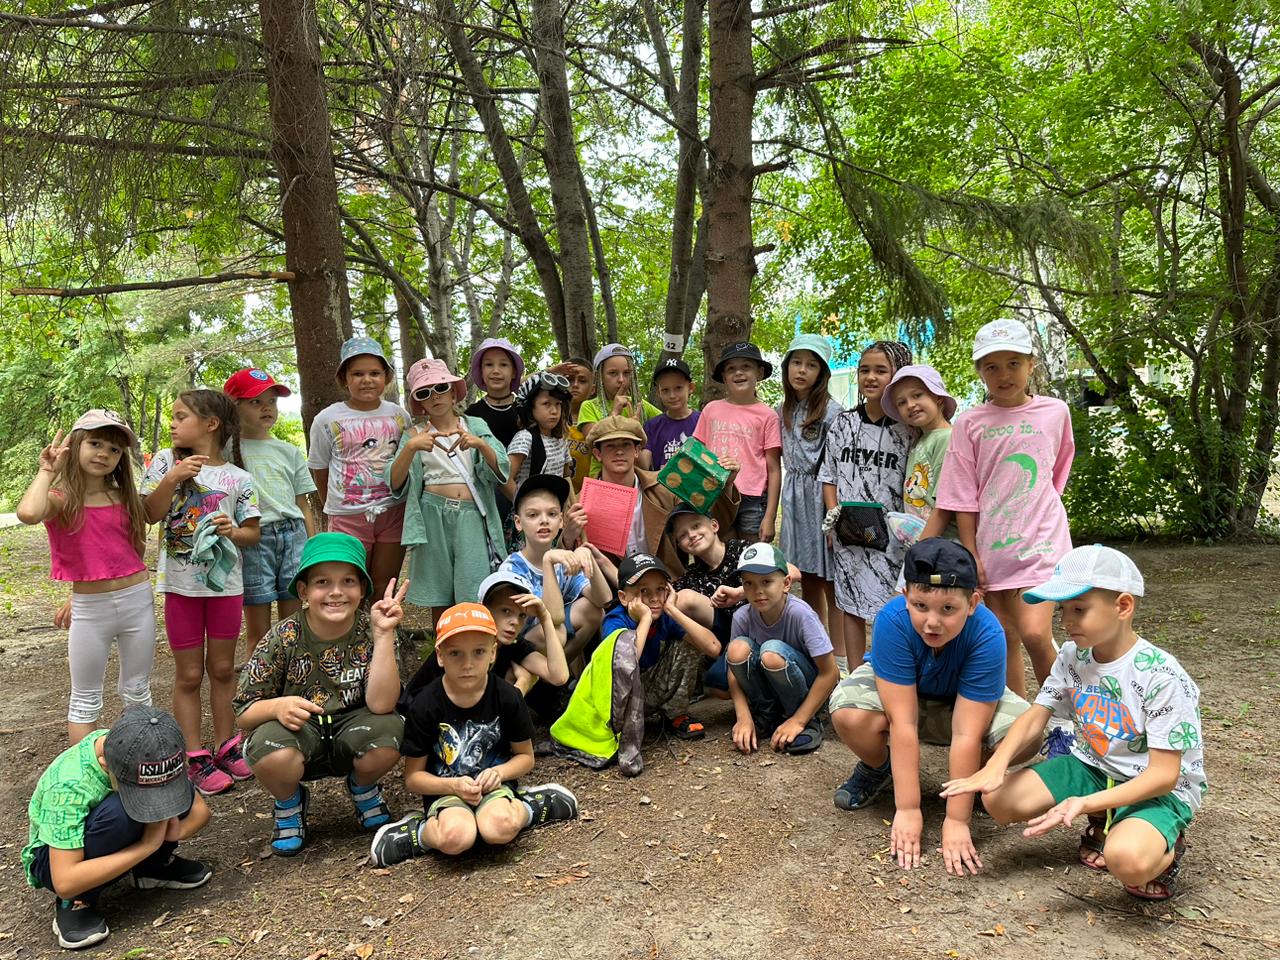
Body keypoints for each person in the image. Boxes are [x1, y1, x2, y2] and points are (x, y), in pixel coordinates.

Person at [940, 545, 1205, 901]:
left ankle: (1163, 848)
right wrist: (996, 766)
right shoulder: (1072, 655)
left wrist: (1080, 802)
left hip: (1155, 787)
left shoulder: (1160, 676)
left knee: (1125, 860)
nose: (1066, 622)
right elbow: (1037, 714)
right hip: (1093, 765)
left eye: (1079, 609)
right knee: (997, 799)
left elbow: (1163, 775)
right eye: (1063, 610)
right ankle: (1104, 815)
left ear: (1123, 607)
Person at [828, 538, 1038, 877]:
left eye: (948, 610)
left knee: (1025, 731)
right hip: (904, 699)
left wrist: (957, 819)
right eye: (920, 605)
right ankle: (879, 768)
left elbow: (967, 732)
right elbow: (903, 722)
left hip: (962, 703)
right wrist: (908, 808)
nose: (932, 622)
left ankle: (974, 784)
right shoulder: (892, 622)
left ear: (972, 603)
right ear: (905, 596)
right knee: (849, 712)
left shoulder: (987, 633)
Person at [233, 533, 406, 856]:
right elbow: (244, 710)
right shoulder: (283, 637)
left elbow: (382, 705)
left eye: (348, 581)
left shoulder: (374, 629)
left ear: (362, 590)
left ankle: (363, 788)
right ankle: (289, 802)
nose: (336, 592)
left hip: (354, 726)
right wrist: (278, 706)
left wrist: (383, 636)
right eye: (323, 582)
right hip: (299, 731)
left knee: (391, 732)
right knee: (270, 751)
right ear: (304, 591)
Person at [369, 602, 579, 864]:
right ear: (440, 655)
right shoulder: (425, 705)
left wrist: (499, 773)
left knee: (499, 828)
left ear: (493, 653)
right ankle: (418, 833)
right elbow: (413, 778)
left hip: (495, 787)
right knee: (457, 837)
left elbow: (526, 758)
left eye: (478, 652)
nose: (468, 664)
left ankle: (531, 807)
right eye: (456, 653)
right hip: (446, 792)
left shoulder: (507, 696)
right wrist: (453, 785)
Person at [933, 319, 1075, 698]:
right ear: (980, 371)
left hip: (1043, 543)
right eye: (991, 366)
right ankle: (1016, 720)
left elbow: (1055, 472)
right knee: (1004, 636)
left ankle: (1062, 718)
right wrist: (971, 553)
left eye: (1013, 363)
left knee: (1034, 632)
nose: (1003, 374)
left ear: (1031, 365)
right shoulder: (969, 423)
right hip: (993, 547)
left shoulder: (1056, 412)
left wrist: (1037, 509)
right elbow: (963, 495)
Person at [142, 390, 261, 796]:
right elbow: (148, 514)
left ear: (211, 424)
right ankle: (194, 755)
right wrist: (173, 478)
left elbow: (252, 533)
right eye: (172, 417)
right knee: (189, 673)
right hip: (180, 588)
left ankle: (228, 746)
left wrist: (234, 530)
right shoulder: (163, 462)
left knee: (224, 670)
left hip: (225, 588)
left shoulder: (240, 479)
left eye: (180, 416)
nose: (172, 424)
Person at [22, 707, 212, 950]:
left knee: (168, 795)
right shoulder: (68, 786)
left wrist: (176, 832)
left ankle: (152, 868)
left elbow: (200, 812)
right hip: (57, 860)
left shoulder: (150, 749)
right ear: (105, 762)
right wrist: (148, 845)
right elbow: (64, 879)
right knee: (119, 813)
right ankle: (78, 901)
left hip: (113, 839)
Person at [17, 410, 153, 744]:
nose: (104, 453)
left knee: (137, 690)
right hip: (91, 609)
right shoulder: (62, 499)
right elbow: (28, 513)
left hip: (137, 599)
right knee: (85, 698)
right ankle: (89, 774)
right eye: (95, 443)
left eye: (114, 449)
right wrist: (48, 469)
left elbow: (127, 551)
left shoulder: (124, 497)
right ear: (76, 444)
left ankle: (140, 761)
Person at [551, 554, 720, 772]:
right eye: (644, 592)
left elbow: (713, 648)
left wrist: (673, 610)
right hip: (619, 701)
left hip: (646, 692)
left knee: (688, 644)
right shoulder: (616, 620)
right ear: (623, 597)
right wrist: (646, 619)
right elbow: (626, 664)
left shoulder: (666, 615)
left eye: (660, 589)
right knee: (625, 653)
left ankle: (675, 714)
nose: (655, 598)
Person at [387, 357, 509, 625]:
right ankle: (442, 649)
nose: (434, 396)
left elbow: (502, 467)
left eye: (441, 387)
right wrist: (410, 448)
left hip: (471, 514)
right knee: (438, 592)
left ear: (454, 392)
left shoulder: (474, 425)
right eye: (424, 392)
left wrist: (480, 445)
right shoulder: (413, 434)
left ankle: (475, 649)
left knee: (473, 587)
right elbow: (394, 483)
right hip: (431, 515)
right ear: (419, 402)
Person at [818, 340, 914, 667]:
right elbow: (829, 475)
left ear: (898, 375)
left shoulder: (908, 428)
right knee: (850, 604)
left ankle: (892, 674)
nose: (870, 377)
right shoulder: (843, 424)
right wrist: (833, 522)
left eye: (880, 371)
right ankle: (857, 677)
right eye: (864, 370)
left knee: (893, 608)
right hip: (849, 532)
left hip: (893, 536)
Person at [223, 368, 318, 664]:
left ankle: (290, 681)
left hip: (293, 537)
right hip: (253, 540)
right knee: (259, 632)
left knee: (292, 626)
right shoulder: (224, 451)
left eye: (272, 401)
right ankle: (258, 690)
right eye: (255, 402)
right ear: (232, 407)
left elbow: (303, 505)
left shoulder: (288, 451)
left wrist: (313, 549)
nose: (267, 408)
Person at [307, 336, 412, 601]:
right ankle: (349, 638)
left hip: (392, 509)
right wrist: (330, 503)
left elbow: (406, 459)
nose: (367, 380)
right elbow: (319, 467)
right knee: (350, 583)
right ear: (344, 379)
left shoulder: (399, 415)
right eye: (358, 373)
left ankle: (380, 637)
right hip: (348, 515)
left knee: (383, 583)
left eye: (375, 373)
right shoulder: (327, 419)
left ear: (386, 378)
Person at [574, 415, 739, 578]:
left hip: (672, 586)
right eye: (610, 446)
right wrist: (568, 537)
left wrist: (728, 485)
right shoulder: (581, 501)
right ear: (597, 454)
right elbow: (572, 559)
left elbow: (714, 523)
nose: (619, 451)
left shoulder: (665, 485)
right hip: (612, 594)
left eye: (626, 445)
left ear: (637, 450)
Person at [726, 543, 839, 755]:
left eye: (766, 581)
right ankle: (766, 716)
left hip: (807, 689)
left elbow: (830, 672)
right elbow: (733, 672)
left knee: (771, 653)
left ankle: (806, 720)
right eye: (748, 583)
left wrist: (799, 719)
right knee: (736, 650)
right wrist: (743, 716)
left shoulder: (800, 614)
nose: (757, 590)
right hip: (771, 687)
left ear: (786, 583)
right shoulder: (741, 616)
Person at [777, 334, 845, 668]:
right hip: (793, 495)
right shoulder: (784, 408)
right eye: (796, 362)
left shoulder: (833, 411)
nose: (802, 370)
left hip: (822, 496)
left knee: (831, 579)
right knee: (806, 578)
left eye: (811, 364)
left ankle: (842, 657)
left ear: (822, 372)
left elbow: (838, 467)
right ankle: (817, 650)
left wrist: (836, 514)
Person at [400, 568, 569, 698]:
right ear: (483, 608)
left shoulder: (512, 643)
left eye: (522, 615)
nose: (515, 622)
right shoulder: (464, 641)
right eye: (505, 611)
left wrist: (545, 617)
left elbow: (558, 676)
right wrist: (522, 686)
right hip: (424, 716)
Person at [500, 474, 610, 663]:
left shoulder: (562, 559)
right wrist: (548, 561)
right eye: (533, 515)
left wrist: (588, 557)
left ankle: (558, 678)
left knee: (593, 611)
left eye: (551, 514)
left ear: (561, 520)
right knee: (555, 632)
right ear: (518, 523)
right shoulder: (512, 570)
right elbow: (555, 618)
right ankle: (542, 682)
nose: (544, 521)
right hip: (514, 649)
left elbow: (604, 600)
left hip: (548, 642)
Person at [692, 342, 782, 543]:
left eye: (746, 367)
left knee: (751, 557)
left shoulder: (768, 416)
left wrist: (770, 516)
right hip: (714, 492)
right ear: (724, 376)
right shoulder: (711, 410)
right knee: (717, 553)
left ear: (759, 373)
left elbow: (774, 468)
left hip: (752, 498)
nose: (738, 373)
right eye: (731, 368)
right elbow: (696, 453)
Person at [883, 365, 959, 542]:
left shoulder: (947, 438)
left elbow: (944, 504)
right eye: (901, 402)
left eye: (917, 395)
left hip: (942, 544)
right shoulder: (920, 440)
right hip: (925, 541)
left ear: (938, 398)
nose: (910, 405)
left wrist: (922, 547)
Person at [576, 343, 662, 476]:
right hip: (601, 480)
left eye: (626, 373)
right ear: (600, 376)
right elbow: (593, 440)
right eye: (613, 373)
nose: (621, 380)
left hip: (635, 482)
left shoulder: (640, 405)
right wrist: (615, 413)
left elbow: (668, 422)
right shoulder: (589, 406)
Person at [466, 337, 524, 522]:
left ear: (514, 371)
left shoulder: (525, 410)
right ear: (481, 371)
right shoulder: (472, 414)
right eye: (489, 364)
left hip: (522, 489)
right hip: (485, 492)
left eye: (504, 365)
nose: (496, 371)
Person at [501, 371, 574, 500]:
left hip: (554, 514)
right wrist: (526, 506)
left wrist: (572, 508)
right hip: (530, 516)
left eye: (558, 404)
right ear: (529, 408)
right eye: (546, 404)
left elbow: (566, 477)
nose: (554, 411)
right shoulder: (525, 438)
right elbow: (505, 480)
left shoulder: (560, 440)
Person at [644, 357, 700, 471]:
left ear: (690, 388)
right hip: (660, 487)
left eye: (678, 388)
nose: (672, 395)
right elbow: (643, 466)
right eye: (665, 390)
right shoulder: (652, 426)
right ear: (658, 392)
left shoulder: (702, 421)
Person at [548, 355, 595, 490]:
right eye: (569, 380)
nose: (575, 385)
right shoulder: (549, 419)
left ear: (592, 389)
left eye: (582, 381)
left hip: (586, 498)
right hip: (553, 497)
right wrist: (550, 372)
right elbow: (517, 387)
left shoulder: (598, 421)